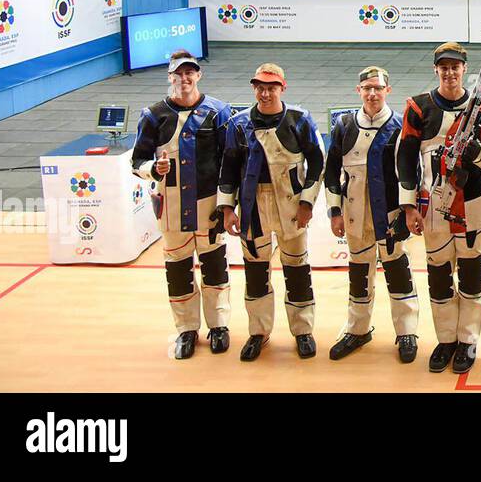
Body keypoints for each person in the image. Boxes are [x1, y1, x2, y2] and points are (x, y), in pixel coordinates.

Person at [397, 42, 481, 375]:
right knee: (439, 276)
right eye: (444, 66)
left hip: (472, 203)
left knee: (471, 275)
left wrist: (475, 152)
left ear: (464, 69)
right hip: (432, 205)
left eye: (455, 66)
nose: (450, 72)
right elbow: (405, 158)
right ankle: (445, 340)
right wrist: (409, 206)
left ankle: (468, 339)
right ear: (436, 69)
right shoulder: (418, 106)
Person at [218, 63, 325, 361]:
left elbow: (318, 162)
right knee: (255, 271)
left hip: (291, 204)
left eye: (271, 87)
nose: (265, 93)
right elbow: (228, 168)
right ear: (254, 88)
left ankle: (303, 331)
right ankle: (258, 331)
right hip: (253, 207)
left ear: (282, 87)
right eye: (260, 87)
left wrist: (307, 203)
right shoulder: (238, 124)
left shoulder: (300, 119)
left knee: (297, 269)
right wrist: (227, 208)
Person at [132, 50, 233, 358]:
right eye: (179, 74)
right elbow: (137, 160)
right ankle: (186, 329)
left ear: (198, 75)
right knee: (178, 269)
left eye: (190, 73)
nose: (185, 79)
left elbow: (230, 161)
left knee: (214, 265)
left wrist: (229, 203)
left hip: (209, 204)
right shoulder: (153, 115)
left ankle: (219, 325)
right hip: (172, 205)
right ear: (170, 77)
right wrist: (152, 168)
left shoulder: (218, 112)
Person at [324, 66, 421, 363]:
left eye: (378, 88)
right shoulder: (343, 126)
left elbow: (412, 172)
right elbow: (331, 173)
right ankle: (357, 329)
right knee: (359, 274)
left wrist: (408, 210)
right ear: (359, 91)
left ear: (387, 91)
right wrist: (335, 212)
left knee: (397, 271)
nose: (372, 93)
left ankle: (407, 331)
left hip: (389, 215)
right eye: (367, 88)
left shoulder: (400, 126)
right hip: (355, 214)